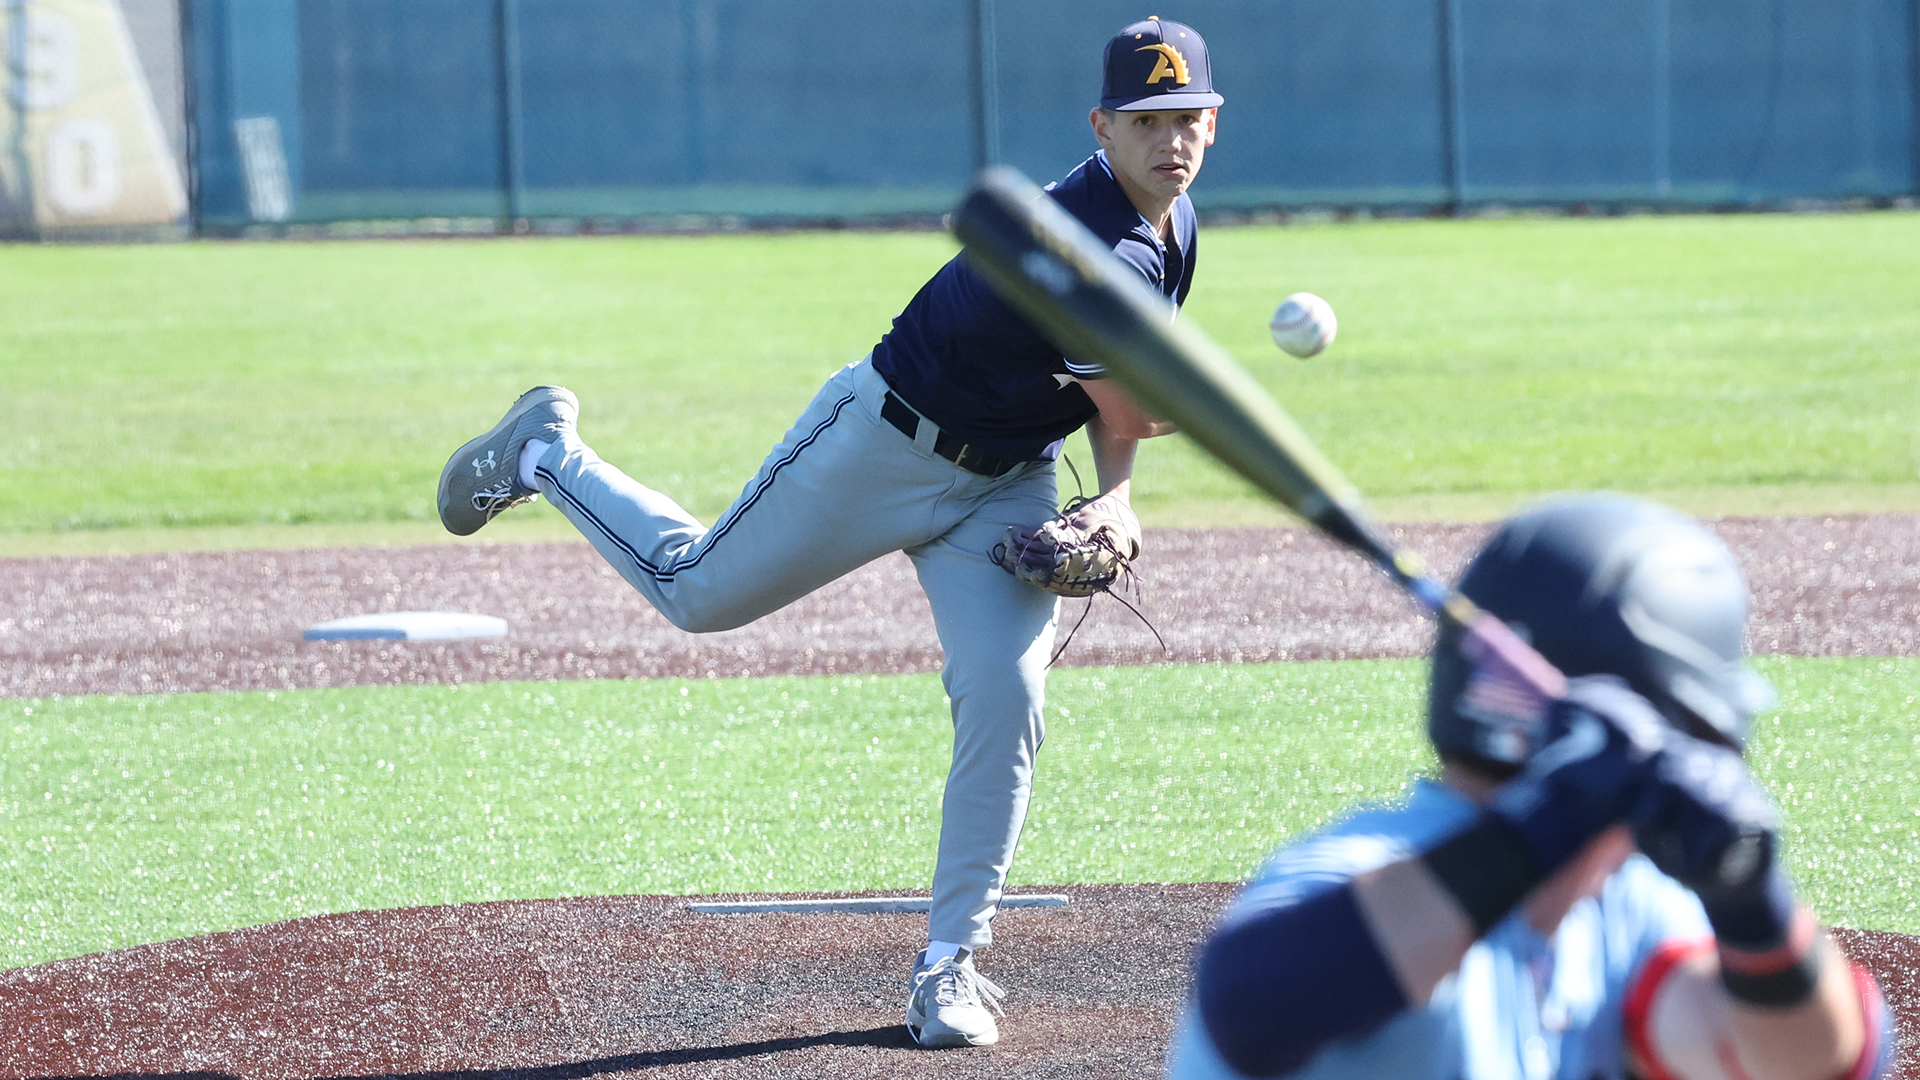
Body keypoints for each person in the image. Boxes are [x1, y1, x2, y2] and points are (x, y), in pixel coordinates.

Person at [436, 16, 1223, 1050]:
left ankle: (949, 965)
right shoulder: (1079, 243)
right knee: (697, 593)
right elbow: (1137, 407)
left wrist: (1114, 500)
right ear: (1101, 127)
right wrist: (1139, 468)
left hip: (1006, 484)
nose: (1174, 141)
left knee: (1008, 689)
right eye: (1149, 120)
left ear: (1214, 122)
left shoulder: (1175, 226)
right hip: (881, 446)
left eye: (1191, 118)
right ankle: (544, 455)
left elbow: (1110, 415)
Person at [1166, 494, 1893, 1080]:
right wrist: (1546, 825)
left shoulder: (1623, 909)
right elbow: (1251, 1005)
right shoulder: (1363, 870)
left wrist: (1751, 905)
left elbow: (1810, 1064)